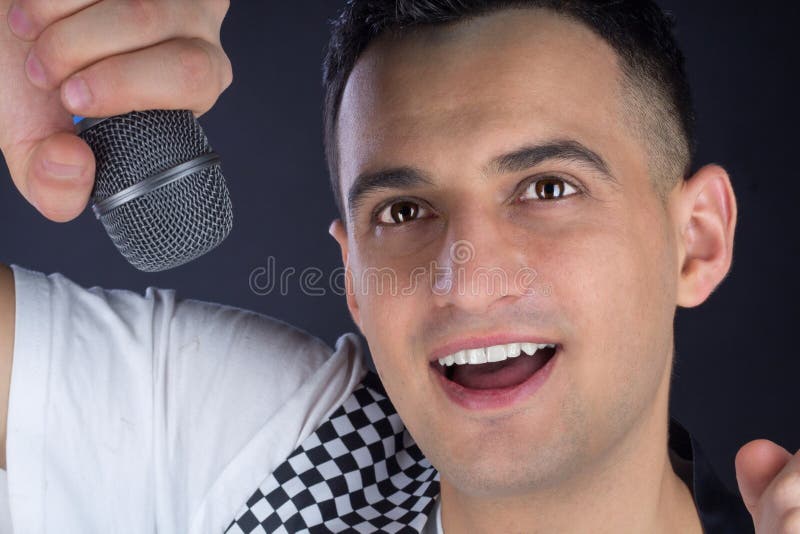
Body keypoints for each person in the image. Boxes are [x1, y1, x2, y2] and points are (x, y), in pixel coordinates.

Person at [0, 0, 797, 532]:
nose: (467, 280)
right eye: (403, 212)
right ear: (352, 277)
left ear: (696, 241)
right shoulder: (273, 457)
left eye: (547, 188)